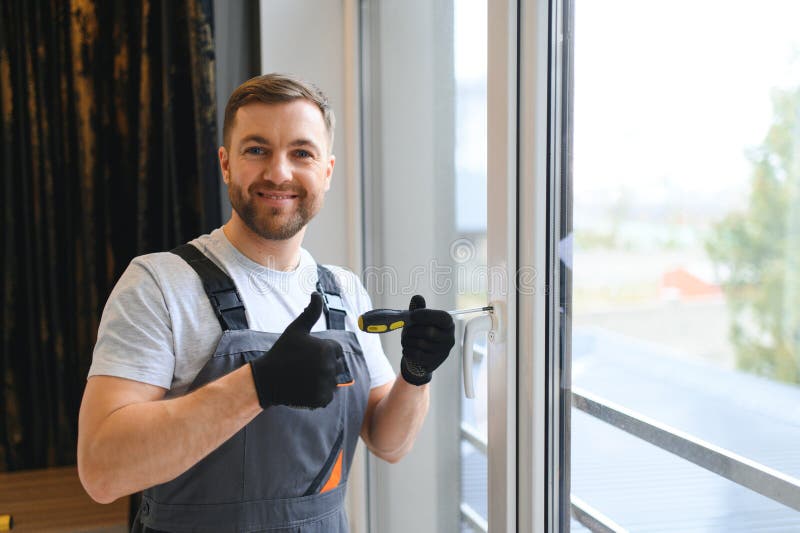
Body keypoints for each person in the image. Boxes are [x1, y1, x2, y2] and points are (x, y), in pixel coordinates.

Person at [77, 73, 455, 532]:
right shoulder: (159, 285)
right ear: (226, 164)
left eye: (302, 153)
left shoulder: (344, 292)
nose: (279, 173)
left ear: (327, 171)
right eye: (257, 149)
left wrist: (415, 374)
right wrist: (256, 385)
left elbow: (387, 442)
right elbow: (101, 471)